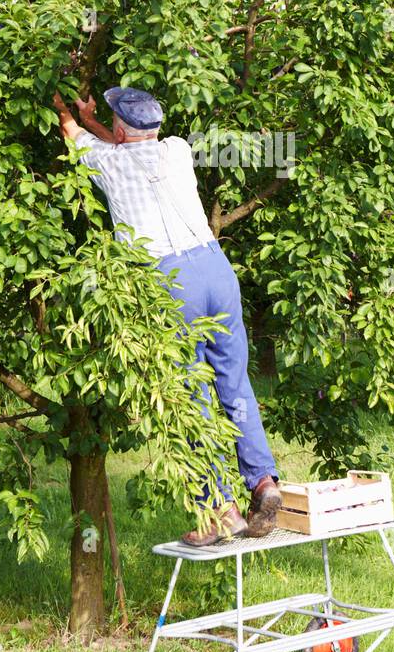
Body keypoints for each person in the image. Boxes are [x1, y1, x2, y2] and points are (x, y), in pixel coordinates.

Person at [52, 85, 281, 546]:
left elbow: (76, 134)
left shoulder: (109, 164)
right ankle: (263, 482)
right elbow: (125, 141)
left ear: (118, 128)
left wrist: (70, 113)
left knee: (189, 398)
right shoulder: (176, 150)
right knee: (234, 383)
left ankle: (222, 510)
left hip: (171, 281)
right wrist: (104, 122)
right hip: (216, 269)